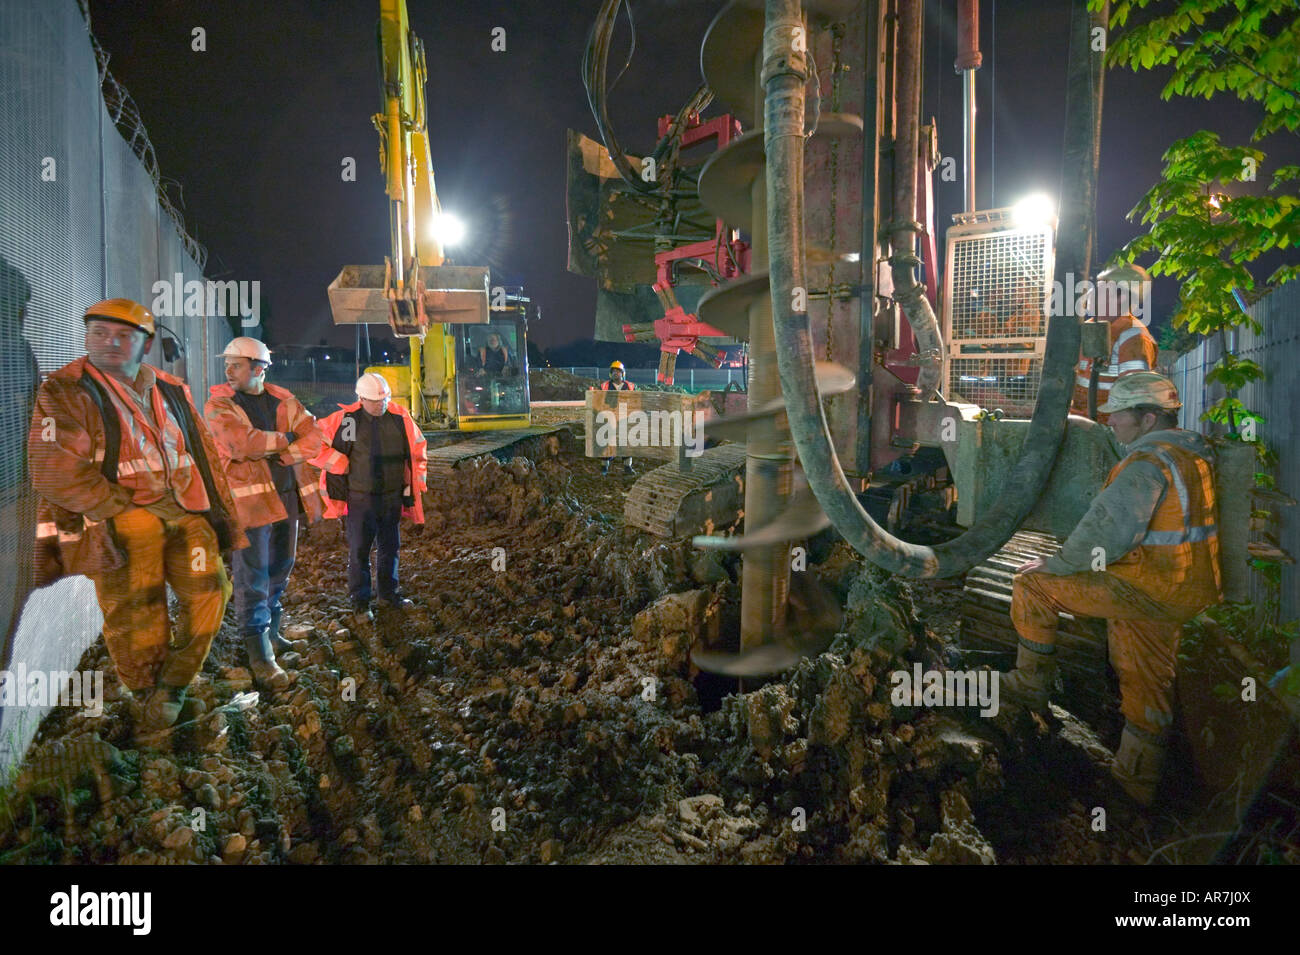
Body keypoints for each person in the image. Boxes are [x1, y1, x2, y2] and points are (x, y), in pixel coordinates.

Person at [28, 299, 247, 740]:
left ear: (145, 345)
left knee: (211, 592)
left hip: (186, 511)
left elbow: (200, 450)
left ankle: (174, 683)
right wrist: (118, 507)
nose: (109, 342)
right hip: (123, 517)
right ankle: (149, 697)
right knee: (136, 609)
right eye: (98, 333)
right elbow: (52, 465)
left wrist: (217, 513)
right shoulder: (64, 389)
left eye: (123, 335)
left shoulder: (169, 387)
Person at [1003, 372, 1221, 805]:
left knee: (1033, 585)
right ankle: (1136, 782)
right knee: (1146, 677)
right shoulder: (1191, 454)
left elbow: (1106, 529)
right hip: (1183, 592)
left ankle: (1030, 684)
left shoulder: (1148, 465)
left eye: (1118, 415)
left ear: (1148, 417)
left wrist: (1059, 563)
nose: (1112, 423)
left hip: (1147, 585)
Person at [204, 337, 323, 690]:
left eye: (235, 364)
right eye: (227, 364)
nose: (228, 370)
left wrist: (279, 453)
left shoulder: (283, 400)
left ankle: (271, 631)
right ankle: (258, 651)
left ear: (258, 369)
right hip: (251, 503)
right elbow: (242, 444)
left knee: (282, 564)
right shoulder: (218, 405)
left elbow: (315, 438)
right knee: (252, 574)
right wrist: (287, 439)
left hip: (287, 497)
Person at [312, 373, 427, 624]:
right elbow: (312, 443)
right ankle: (361, 603)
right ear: (361, 399)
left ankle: (388, 594)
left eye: (385, 399)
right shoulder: (350, 422)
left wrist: (415, 484)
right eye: (375, 401)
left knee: (390, 548)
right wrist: (339, 463)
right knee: (359, 551)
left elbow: (418, 449)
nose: (381, 405)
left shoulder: (398, 418)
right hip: (360, 497)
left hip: (391, 496)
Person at [1072, 263, 1158, 422]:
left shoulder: (1133, 337)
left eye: (1100, 289)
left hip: (1109, 432)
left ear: (1122, 297)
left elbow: (1131, 404)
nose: (1091, 294)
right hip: (1084, 425)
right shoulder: (1092, 326)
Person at [599, 360, 635, 475]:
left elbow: (636, 401)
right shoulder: (604, 386)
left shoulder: (630, 386)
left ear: (623, 373)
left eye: (618, 371)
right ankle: (604, 467)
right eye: (613, 371)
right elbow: (599, 401)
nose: (616, 373)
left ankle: (627, 466)